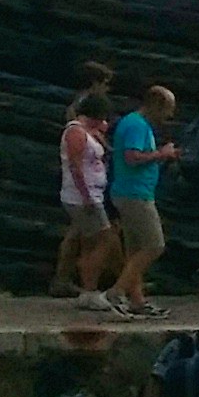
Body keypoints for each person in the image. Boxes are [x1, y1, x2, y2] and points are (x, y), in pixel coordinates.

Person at [102, 86, 175, 318]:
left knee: (135, 250)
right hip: (135, 194)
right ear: (156, 105)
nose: (169, 116)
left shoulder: (135, 123)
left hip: (131, 191)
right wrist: (161, 154)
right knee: (154, 245)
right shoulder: (136, 125)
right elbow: (132, 158)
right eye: (168, 109)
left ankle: (137, 301)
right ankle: (116, 292)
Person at [59, 93, 116, 313]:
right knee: (106, 237)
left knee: (92, 242)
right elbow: (75, 167)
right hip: (83, 197)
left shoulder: (88, 131)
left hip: (94, 193)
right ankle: (90, 289)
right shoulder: (75, 132)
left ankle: (88, 288)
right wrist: (86, 197)